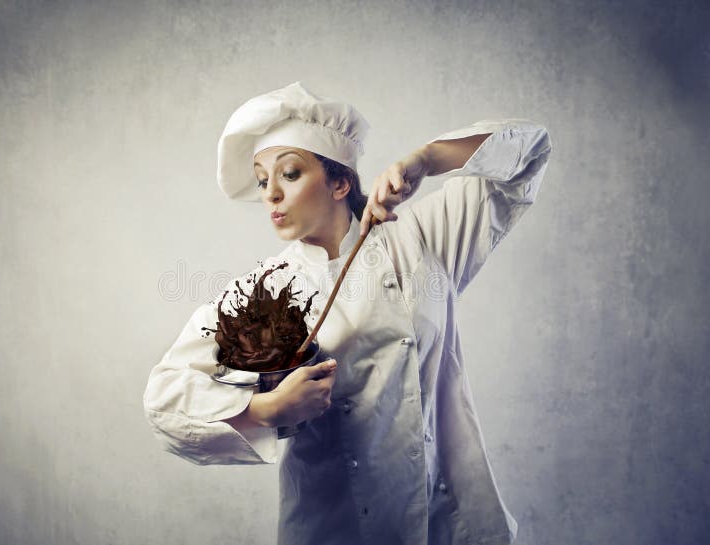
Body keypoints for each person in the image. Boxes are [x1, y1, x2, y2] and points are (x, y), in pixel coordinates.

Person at [143, 81, 552, 545]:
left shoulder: (420, 239)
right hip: (335, 528)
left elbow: (530, 151)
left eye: (290, 173)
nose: (271, 194)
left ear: (341, 182)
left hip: (446, 520)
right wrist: (265, 409)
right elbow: (164, 400)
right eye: (262, 180)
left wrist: (425, 159)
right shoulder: (266, 289)